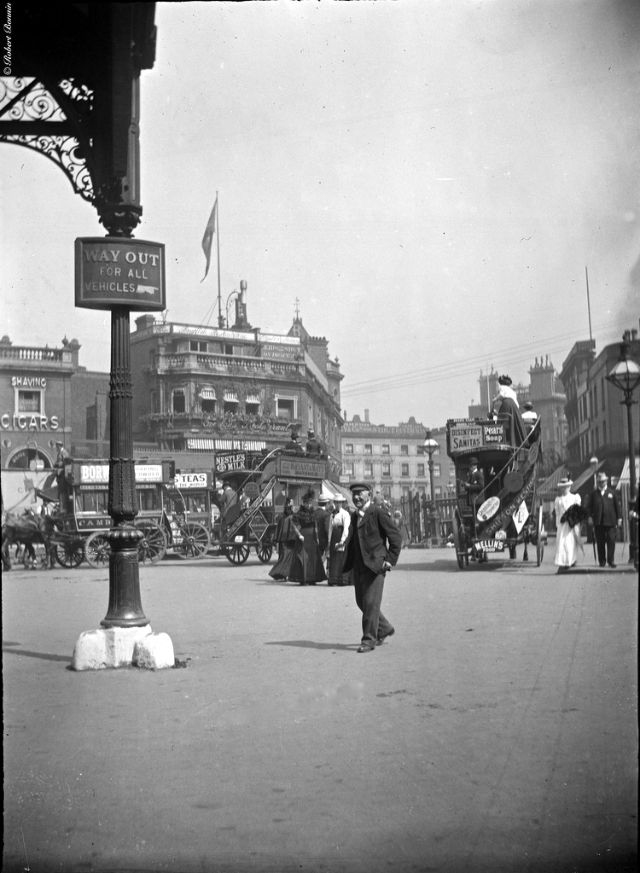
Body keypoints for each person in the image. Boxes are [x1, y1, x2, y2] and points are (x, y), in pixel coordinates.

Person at [343, 482, 402, 652]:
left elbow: (396, 537)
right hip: (360, 567)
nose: (356, 497)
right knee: (362, 602)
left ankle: (368, 640)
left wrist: (390, 559)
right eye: (354, 494)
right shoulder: (354, 516)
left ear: (368, 494)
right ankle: (384, 629)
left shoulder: (378, 512)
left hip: (376, 566)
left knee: (370, 603)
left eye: (360, 493)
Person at [288, 488, 327, 585]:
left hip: (312, 537)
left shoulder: (313, 512)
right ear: (304, 503)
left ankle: (312, 578)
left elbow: (316, 526)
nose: (309, 505)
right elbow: (293, 524)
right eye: (307, 503)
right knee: (303, 557)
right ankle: (303, 578)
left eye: (310, 503)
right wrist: (299, 535)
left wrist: (317, 537)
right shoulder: (299, 513)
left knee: (313, 557)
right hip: (303, 537)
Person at [586, 471, 622, 568]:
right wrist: (589, 517)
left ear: (606, 481)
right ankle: (602, 561)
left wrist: (619, 518)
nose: (602, 483)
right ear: (598, 483)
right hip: (598, 522)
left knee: (611, 541)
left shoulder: (612, 493)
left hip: (611, 521)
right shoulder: (593, 494)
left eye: (603, 481)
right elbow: (589, 507)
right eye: (600, 482)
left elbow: (617, 506)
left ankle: (611, 561)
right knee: (600, 542)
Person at [553, 477, 584, 572]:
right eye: (562, 487)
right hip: (563, 525)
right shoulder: (558, 499)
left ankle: (571, 560)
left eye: (566, 487)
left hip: (572, 523)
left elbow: (577, 510)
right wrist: (558, 524)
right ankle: (562, 562)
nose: (564, 489)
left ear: (569, 487)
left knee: (571, 542)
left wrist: (576, 522)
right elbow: (557, 513)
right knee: (562, 543)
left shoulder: (574, 498)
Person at [269, 500, 304, 581]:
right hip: (289, 541)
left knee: (283, 557)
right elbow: (295, 528)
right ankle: (278, 573)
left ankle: (283, 574)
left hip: (283, 541)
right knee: (286, 558)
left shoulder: (282, 517)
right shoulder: (291, 517)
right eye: (292, 505)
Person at [492, 374, 528, 447]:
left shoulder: (502, 387)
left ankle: (505, 440)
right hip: (513, 406)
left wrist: (495, 399)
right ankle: (517, 441)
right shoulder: (512, 391)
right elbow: (516, 403)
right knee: (514, 422)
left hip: (506, 405)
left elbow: (502, 395)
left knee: (503, 422)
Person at [327, 495, 351, 586]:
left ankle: (342, 579)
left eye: (339, 502)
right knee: (334, 558)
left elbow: (346, 528)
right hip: (334, 536)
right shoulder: (332, 514)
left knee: (341, 557)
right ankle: (333, 579)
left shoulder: (345, 514)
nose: (338, 504)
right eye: (336, 502)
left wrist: (342, 540)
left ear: (342, 503)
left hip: (341, 535)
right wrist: (329, 540)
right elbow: (330, 528)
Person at [314, 496, 333, 566]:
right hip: (323, 541)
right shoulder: (326, 515)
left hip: (313, 539)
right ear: (326, 504)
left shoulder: (313, 513)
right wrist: (329, 541)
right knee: (323, 560)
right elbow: (327, 529)